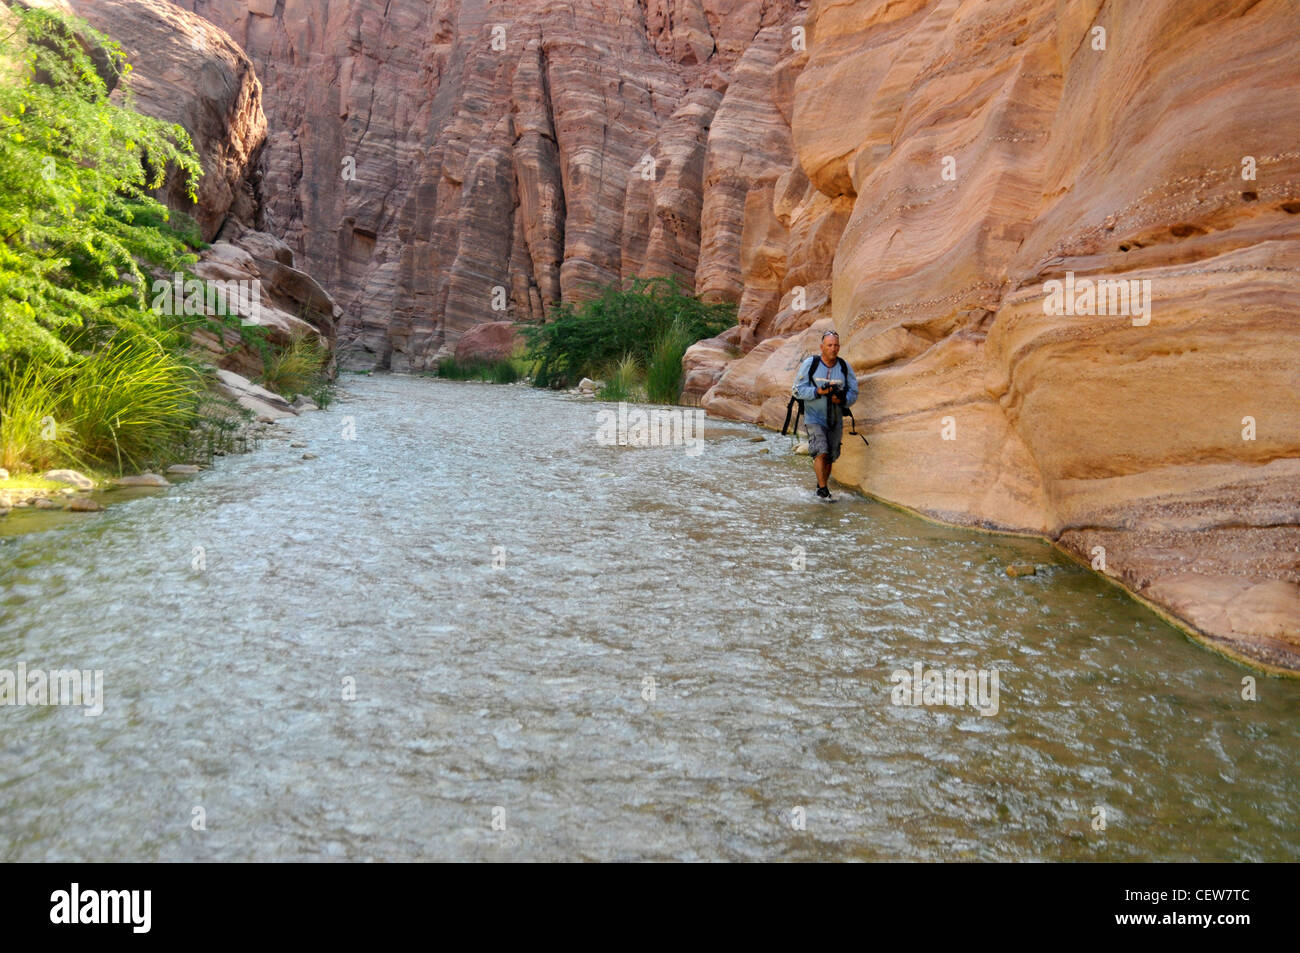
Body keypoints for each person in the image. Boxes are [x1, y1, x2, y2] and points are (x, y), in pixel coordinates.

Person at [792, 330, 858, 500]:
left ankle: (822, 486)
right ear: (822, 347)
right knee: (821, 451)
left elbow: (854, 392)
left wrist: (843, 399)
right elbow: (797, 390)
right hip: (814, 417)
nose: (833, 348)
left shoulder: (844, 366)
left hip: (835, 418)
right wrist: (817, 391)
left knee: (830, 455)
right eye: (829, 345)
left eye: (836, 345)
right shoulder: (811, 364)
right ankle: (823, 491)